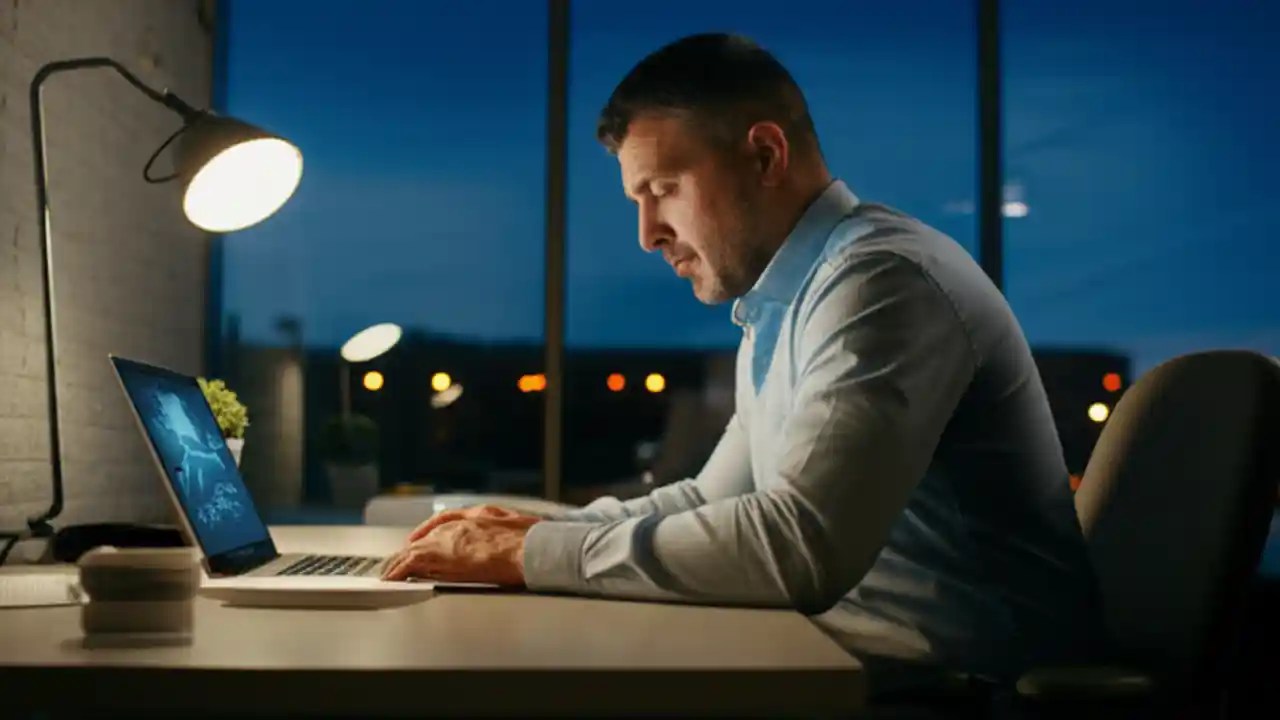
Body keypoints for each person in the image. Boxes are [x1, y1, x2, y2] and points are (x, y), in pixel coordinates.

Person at [383, 33, 1103, 690]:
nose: (646, 234)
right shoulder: (789, 300)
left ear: (765, 155)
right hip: (856, 661)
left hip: (970, 688)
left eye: (663, 190)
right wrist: (531, 534)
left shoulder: (884, 282)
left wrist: (532, 553)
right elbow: (711, 500)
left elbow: (800, 545)